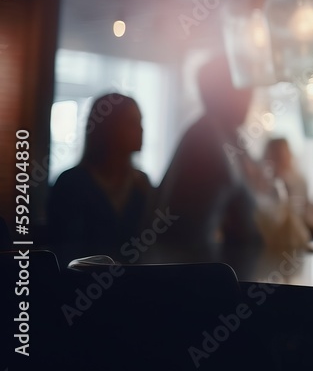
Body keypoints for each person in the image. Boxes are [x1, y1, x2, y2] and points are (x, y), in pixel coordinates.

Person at [157, 56, 261, 257]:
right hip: (189, 274)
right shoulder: (209, 137)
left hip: (199, 266)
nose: (250, 97)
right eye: (243, 88)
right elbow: (244, 222)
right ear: (223, 93)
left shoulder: (221, 134)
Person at [48, 93, 154, 263]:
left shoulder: (142, 184)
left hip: (134, 284)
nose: (141, 129)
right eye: (131, 123)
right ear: (108, 128)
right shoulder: (71, 183)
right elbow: (64, 249)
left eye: (140, 122)